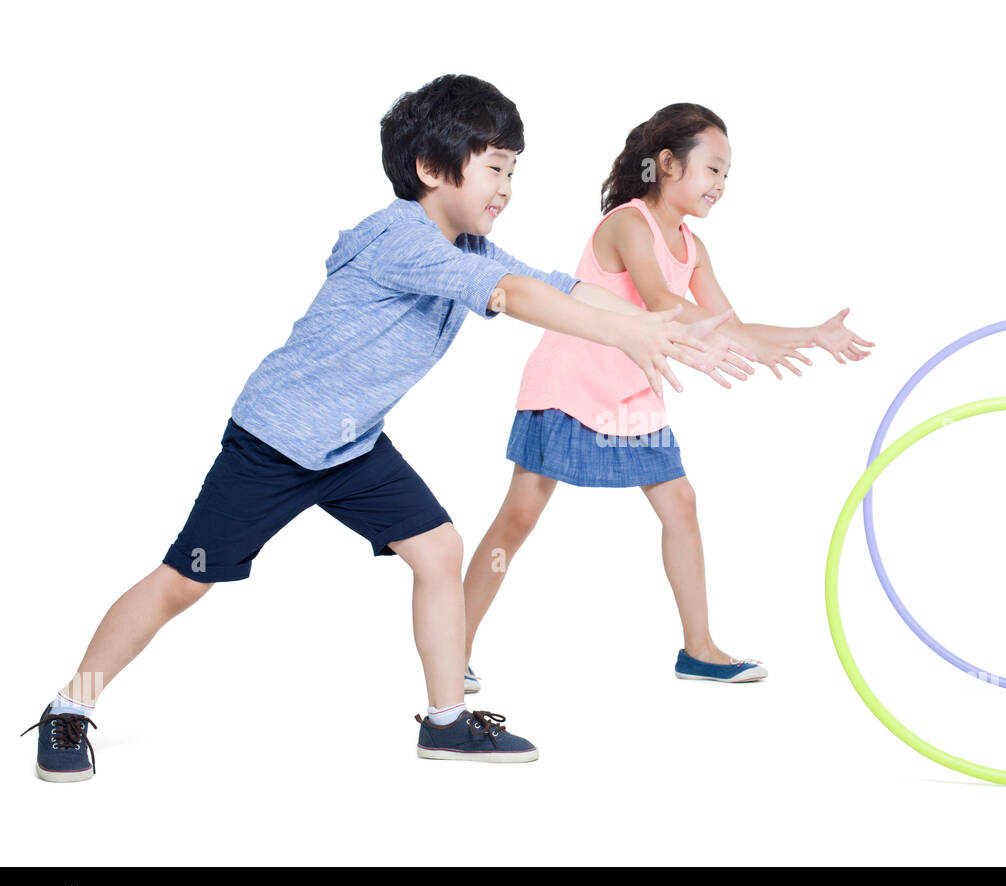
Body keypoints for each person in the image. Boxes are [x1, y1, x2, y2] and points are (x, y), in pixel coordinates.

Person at [21, 76, 744, 781]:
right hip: (276, 440)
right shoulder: (401, 236)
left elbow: (558, 285)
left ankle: (446, 722)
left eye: (512, 171)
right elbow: (513, 295)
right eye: (494, 167)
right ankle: (69, 707)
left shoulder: (466, 248)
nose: (505, 187)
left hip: (352, 444)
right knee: (184, 581)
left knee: (438, 548)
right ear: (430, 168)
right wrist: (629, 335)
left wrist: (657, 324)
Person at [461, 103, 872, 691]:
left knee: (680, 503)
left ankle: (699, 650)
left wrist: (809, 334)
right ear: (668, 164)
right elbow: (660, 301)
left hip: (633, 391)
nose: (721, 184)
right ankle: (455, 645)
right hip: (570, 384)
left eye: (727, 174)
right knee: (519, 517)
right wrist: (748, 342)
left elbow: (729, 324)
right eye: (713, 169)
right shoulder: (629, 223)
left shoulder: (694, 247)